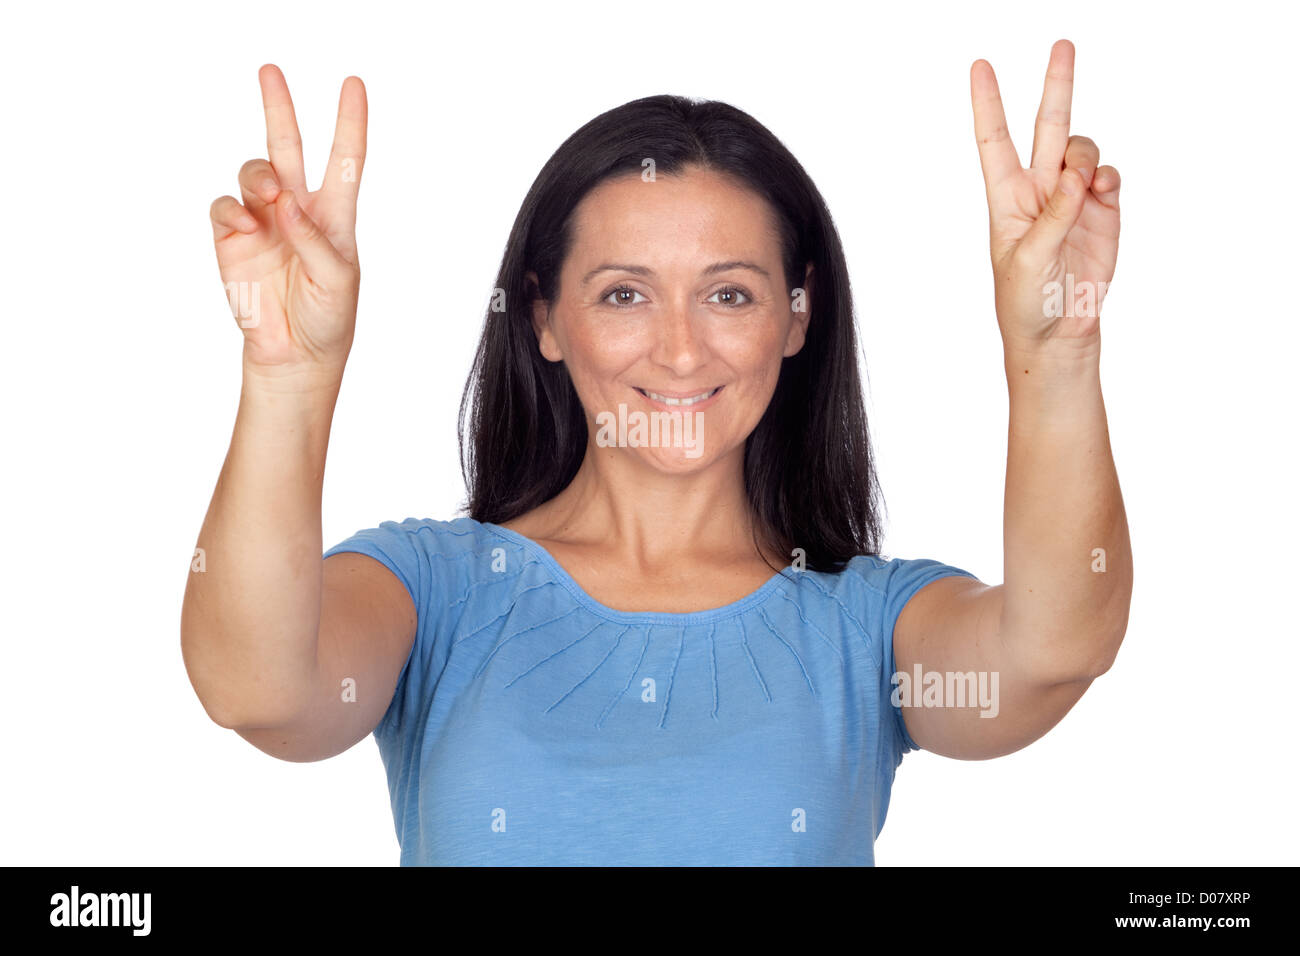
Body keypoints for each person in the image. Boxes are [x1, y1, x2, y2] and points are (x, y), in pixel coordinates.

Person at [182, 38, 1132, 865]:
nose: (680, 351)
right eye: (624, 294)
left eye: (729, 294)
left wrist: (1056, 352)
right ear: (545, 317)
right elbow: (255, 690)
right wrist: (288, 374)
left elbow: (1052, 653)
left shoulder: (865, 625)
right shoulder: (436, 589)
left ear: (796, 316)